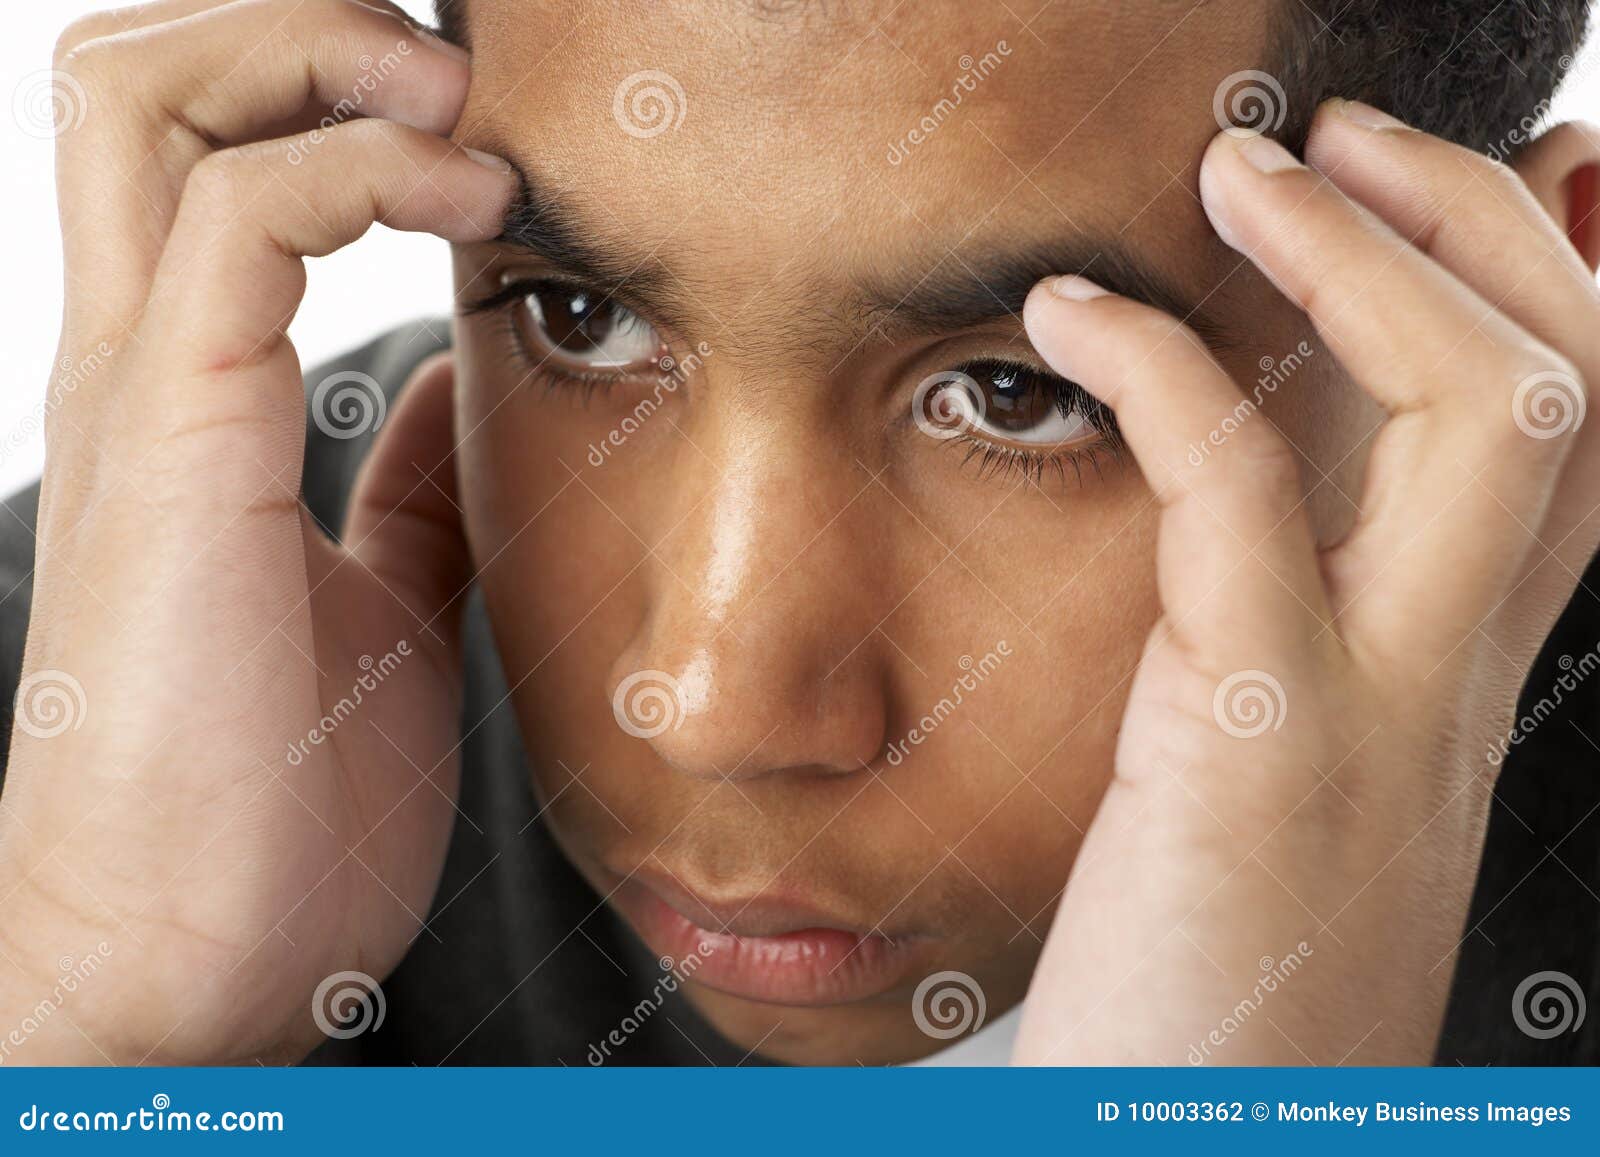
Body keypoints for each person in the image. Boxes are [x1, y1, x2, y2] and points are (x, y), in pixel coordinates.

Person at [0, 0, 1596, 1067]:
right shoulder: (88, 708)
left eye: (1019, 396)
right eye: (579, 317)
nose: (710, 708)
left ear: (1537, 300)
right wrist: (99, 1027)